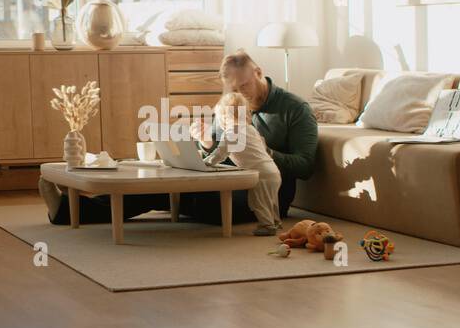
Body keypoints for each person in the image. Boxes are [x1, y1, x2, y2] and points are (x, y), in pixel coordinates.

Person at [38, 50, 318, 226]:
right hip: (224, 179)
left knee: (201, 202)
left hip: (267, 192)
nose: (241, 93)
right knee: (162, 184)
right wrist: (205, 142)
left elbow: (305, 165)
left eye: (245, 85)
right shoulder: (230, 104)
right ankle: (67, 210)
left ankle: (184, 201)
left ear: (259, 72)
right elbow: (217, 152)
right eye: (233, 88)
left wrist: (263, 150)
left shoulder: (295, 109)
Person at [206, 92, 282, 236]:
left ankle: (267, 225)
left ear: (223, 117)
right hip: (273, 170)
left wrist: (206, 162)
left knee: (258, 201)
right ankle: (275, 221)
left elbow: (220, 153)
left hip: (261, 174)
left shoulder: (231, 132)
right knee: (271, 200)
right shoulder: (251, 129)